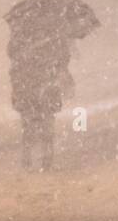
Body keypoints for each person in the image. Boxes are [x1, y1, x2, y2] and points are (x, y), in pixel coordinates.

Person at [7, 23, 73, 171]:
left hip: (26, 84)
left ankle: (27, 160)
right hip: (45, 84)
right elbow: (64, 58)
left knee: (28, 124)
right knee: (46, 123)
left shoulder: (20, 33)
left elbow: (11, 54)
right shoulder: (55, 33)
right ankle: (46, 161)